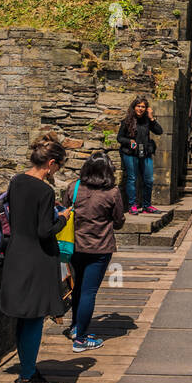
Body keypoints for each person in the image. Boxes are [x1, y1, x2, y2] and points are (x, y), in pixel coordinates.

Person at [0, 133, 73, 383]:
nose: (58, 171)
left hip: (16, 255)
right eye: (59, 166)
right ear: (52, 163)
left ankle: (27, 367)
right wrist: (62, 218)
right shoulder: (44, 190)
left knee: (23, 318)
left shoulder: (17, 181)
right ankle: (28, 378)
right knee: (34, 319)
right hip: (36, 259)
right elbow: (45, 230)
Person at [62, 150, 124, 353]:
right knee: (89, 291)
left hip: (75, 246)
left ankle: (75, 327)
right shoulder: (112, 192)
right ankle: (80, 339)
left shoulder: (74, 187)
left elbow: (64, 211)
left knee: (77, 288)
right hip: (100, 248)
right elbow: (118, 221)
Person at [117, 96, 163, 215]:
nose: (141, 109)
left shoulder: (147, 121)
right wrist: (129, 141)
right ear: (134, 107)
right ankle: (132, 205)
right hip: (130, 154)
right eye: (138, 106)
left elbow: (159, 131)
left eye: (143, 106)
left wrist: (152, 118)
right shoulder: (127, 121)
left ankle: (147, 205)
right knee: (132, 179)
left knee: (149, 179)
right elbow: (120, 138)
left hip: (145, 153)